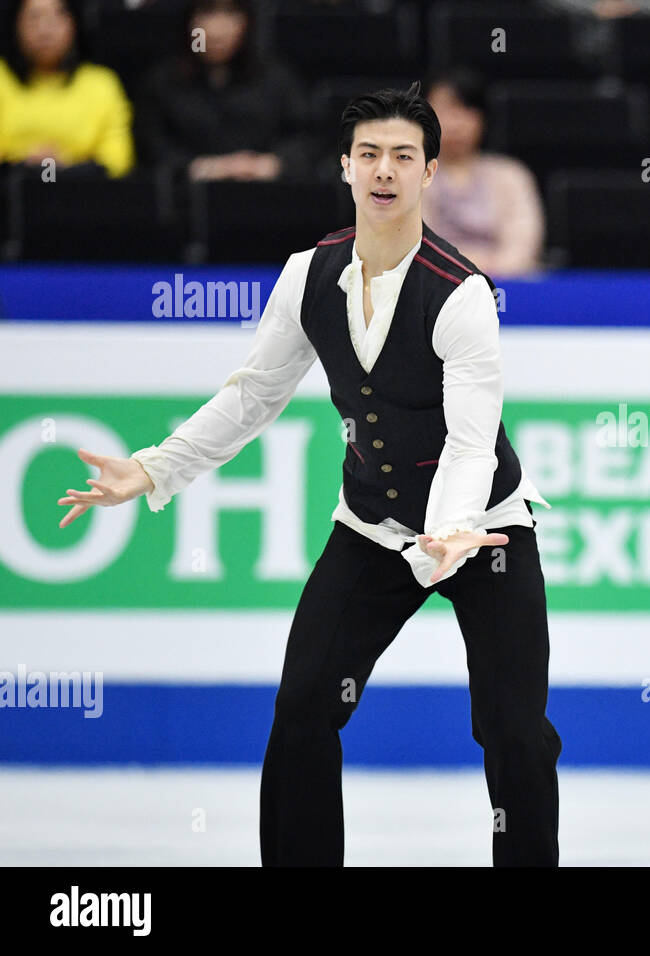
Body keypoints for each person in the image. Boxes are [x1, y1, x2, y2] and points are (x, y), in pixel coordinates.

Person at [56, 82, 562, 867]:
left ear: (430, 172)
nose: (384, 171)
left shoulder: (462, 294)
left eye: (402, 155)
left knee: (514, 731)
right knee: (301, 711)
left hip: (484, 531)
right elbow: (254, 394)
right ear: (345, 166)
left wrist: (450, 530)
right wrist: (153, 470)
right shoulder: (308, 274)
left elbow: (469, 441)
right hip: (369, 529)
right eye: (369, 155)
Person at [134, 0, 316, 182]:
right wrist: (202, 167)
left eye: (230, 14)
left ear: (248, 22)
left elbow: (306, 138)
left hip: (266, 194)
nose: (216, 29)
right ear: (189, 22)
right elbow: (151, 147)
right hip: (187, 198)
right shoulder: (163, 81)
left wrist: (272, 164)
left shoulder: (278, 79)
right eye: (207, 13)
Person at [420, 70, 545, 279]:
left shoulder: (512, 175)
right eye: (444, 110)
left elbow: (523, 248)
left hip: (505, 285)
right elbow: (418, 250)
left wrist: (488, 274)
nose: (455, 123)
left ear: (482, 117)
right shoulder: (410, 178)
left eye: (465, 109)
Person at [0, 0, 134, 178]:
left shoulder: (101, 84)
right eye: (34, 18)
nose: (44, 30)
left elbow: (117, 161)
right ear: (15, 25)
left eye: (57, 16)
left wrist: (65, 169)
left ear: (75, 23)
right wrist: (27, 166)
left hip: (83, 191)